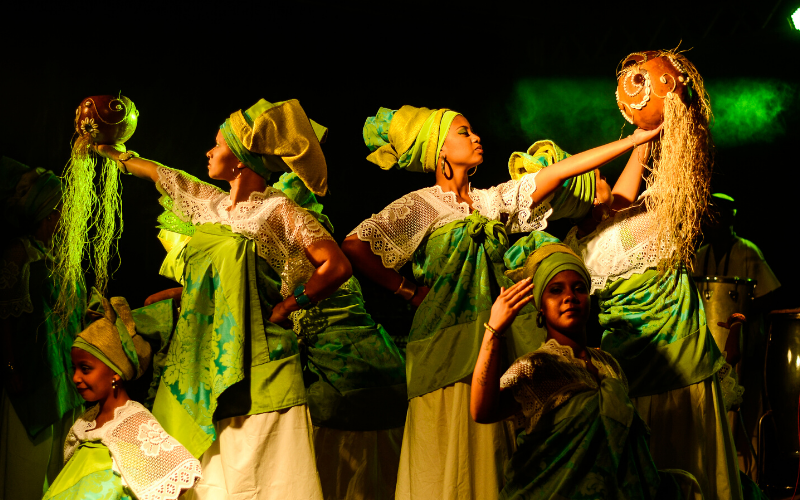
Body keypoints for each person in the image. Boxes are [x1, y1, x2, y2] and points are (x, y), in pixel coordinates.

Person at [342, 105, 661, 499]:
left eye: (474, 130)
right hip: (442, 346)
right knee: (444, 458)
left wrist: (631, 142)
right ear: (439, 150)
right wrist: (408, 290)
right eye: (463, 132)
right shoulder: (421, 205)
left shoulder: (492, 202)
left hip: (490, 343)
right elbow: (355, 245)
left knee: (489, 453)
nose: (476, 137)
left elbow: (559, 172)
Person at [96, 98, 408, 500]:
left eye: (218, 145)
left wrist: (289, 304)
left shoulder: (277, 210)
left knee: (260, 477)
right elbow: (161, 175)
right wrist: (111, 153)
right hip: (210, 359)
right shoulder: (212, 205)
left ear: (241, 160)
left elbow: (337, 266)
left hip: (262, 355)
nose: (209, 152)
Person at [471, 243, 691, 499]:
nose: (570, 297)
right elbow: (481, 410)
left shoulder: (609, 364)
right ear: (541, 306)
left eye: (579, 289)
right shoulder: (536, 367)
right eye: (555, 290)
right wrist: (494, 331)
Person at [43, 291, 202, 500]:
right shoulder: (85, 422)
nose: (75, 377)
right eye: (74, 368)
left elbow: (177, 474)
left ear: (115, 373)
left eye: (85, 368)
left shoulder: (134, 421)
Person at [0, 156, 86, 499]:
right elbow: (4, 316)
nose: (62, 217)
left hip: (60, 375)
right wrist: (9, 367)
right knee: (26, 467)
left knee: (59, 467)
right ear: (46, 212)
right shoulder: (19, 253)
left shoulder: (54, 254)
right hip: (31, 375)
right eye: (58, 210)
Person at [692, 193, 781, 480]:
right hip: (707, 346)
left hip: (742, 345)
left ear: (732, 216)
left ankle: (745, 477)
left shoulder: (747, 251)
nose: (713, 218)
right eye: (710, 213)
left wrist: (740, 312)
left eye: (720, 212)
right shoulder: (701, 253)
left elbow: (771, 293)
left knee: (742, 410)